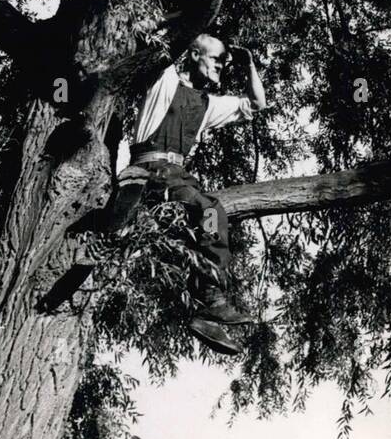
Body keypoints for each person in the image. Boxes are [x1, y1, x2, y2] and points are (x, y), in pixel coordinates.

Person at [45, 36, 266, 356]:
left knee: (210, 213)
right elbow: (156, 45)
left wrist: (249, 66)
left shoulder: (208, 103)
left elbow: (256, 103)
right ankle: (105, 240)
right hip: (147, 171)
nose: (221, 65)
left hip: (176, 177)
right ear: (193, 54)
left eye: (224, 62)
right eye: (216, 58)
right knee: (200, 209)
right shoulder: (165, 78)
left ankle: (210, 307)